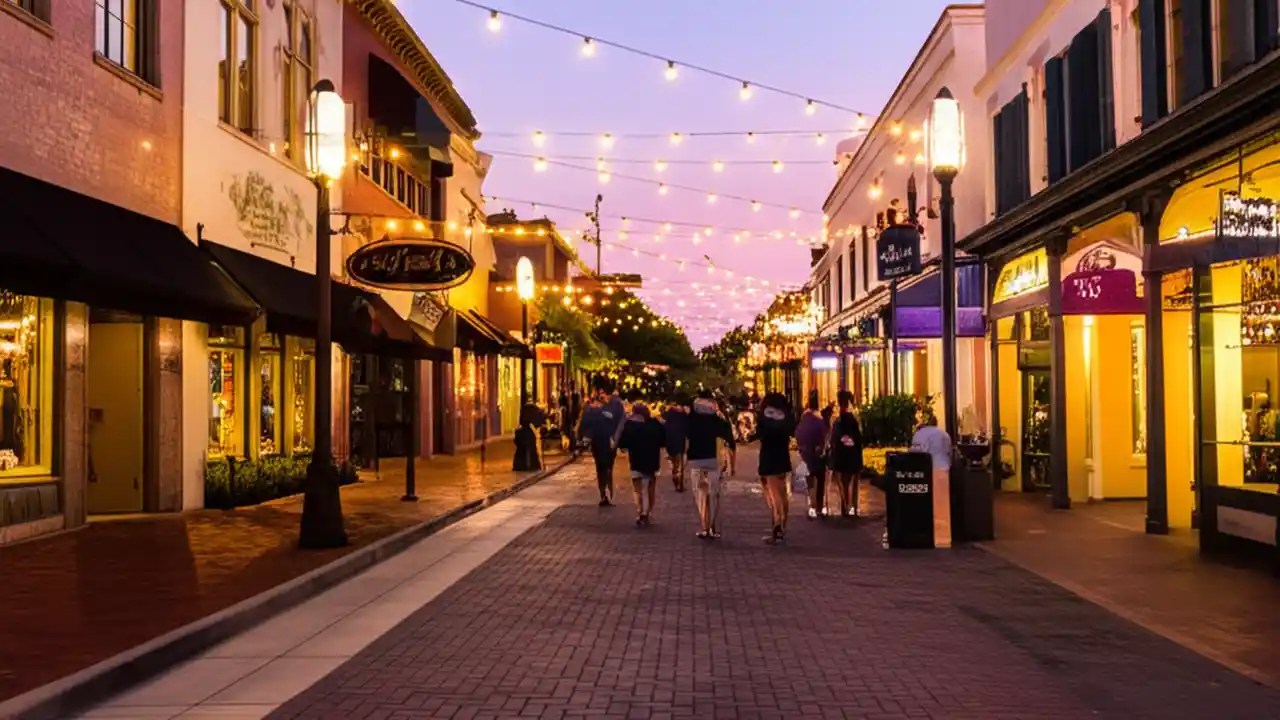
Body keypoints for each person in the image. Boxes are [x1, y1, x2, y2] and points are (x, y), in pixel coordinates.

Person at [686, 390, 735, 539]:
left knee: (700, 493)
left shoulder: (691, 418)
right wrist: (732, 464)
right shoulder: (719, 420)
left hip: (696, 459)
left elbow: (685, 438)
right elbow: (730, 442)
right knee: (713, 494)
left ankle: (704, 526)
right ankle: (712, 526)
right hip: (714, 459)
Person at [578, 378, 626, 506]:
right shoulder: (592, 406)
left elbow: (621, 422)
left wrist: (616, 439)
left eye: (602, 392)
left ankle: (608, 493)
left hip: (609, 440)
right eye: (598, 392)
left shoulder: (616, 404)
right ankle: (603, 494)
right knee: (600, 467)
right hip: (598, 440)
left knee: (608, 467)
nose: (600, 395)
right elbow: (586, 421)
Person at [757, 392, 796, 544]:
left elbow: (760, 433)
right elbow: (791, 430)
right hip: (783, 457)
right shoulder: (785, 415)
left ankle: (777, 525)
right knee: (782, 493)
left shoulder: (765, 413)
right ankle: (782, 524)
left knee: (774, 494)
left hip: (769, 457)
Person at [618, 400, 665, 526]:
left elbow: (623, 441)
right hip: (651, 460)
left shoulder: (630, 424)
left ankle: (640, 510)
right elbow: (663, 439)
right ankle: (647, 511)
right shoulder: (654, 423)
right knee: (650, 486)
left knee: (637, 488)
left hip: (636, 459)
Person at [911, 409, 952, 548]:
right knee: (943, 505)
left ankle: (928, 533)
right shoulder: (944, 434)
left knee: (927, 503)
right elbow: (949, 452)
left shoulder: (919, 435)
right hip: (943, 470)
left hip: (927, 471)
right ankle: (944, 536)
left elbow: (915, 454)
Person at [829, 390, 864, 518]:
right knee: (853, 481)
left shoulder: (837, 419)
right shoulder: (855, 417)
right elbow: (860, 436)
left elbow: (833, 437)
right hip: (853, 453)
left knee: (844, 481)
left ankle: (846, 506)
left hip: (842, 454)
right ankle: (853, 507)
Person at [796, 391, 829, 520]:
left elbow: (799, 434)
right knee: (820, 480)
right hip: (818, 453)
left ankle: (813, 506)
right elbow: (824, 436)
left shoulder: (805, 418)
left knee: (810, 479)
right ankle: (819, 507)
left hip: (807, 453)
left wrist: (801, 448)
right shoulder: (820, 418)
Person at [661, 394, 690, 492]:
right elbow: (687, 429)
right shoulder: (683, 415)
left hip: (670, 442)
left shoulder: (669, 413)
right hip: (679, 442)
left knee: (675, 463)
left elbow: (664, 425)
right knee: (679, 464)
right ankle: (679, 483)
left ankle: (676, 479)